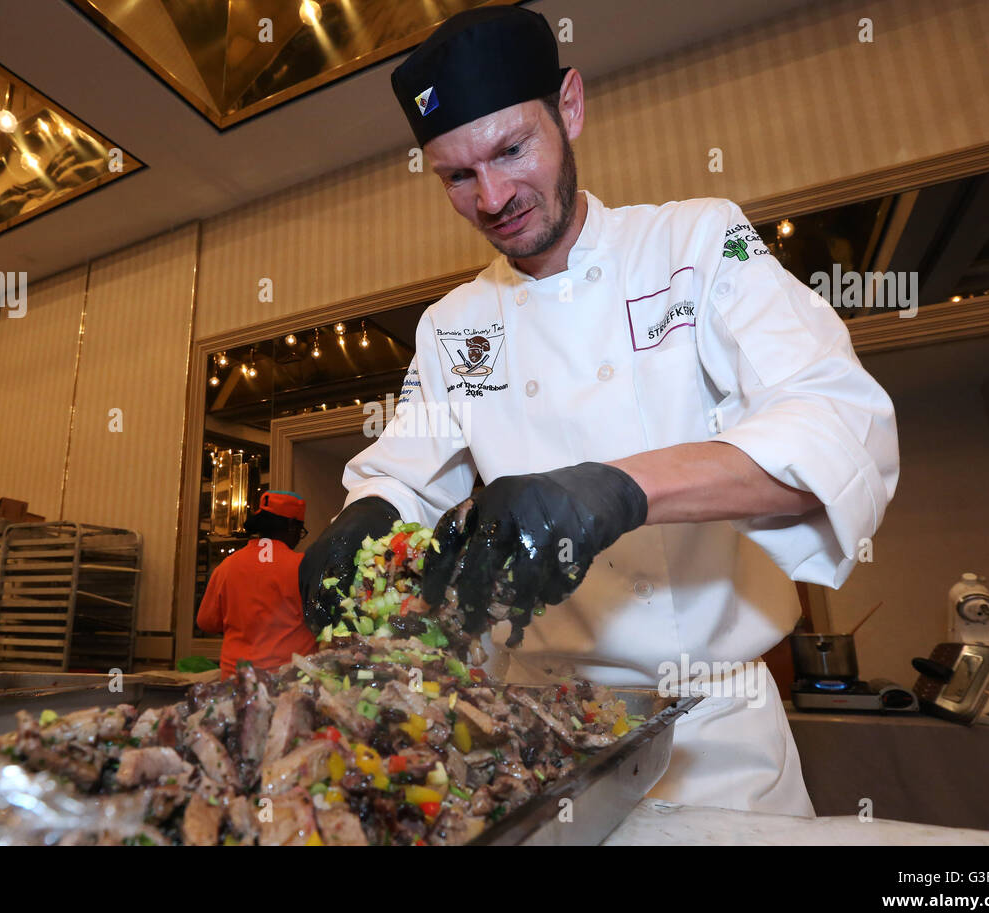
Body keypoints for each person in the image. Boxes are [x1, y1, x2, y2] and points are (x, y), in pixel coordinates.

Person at [300, 7, 899, 816]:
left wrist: (613, 489)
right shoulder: (452, 324)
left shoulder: (698, 243)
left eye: (513, 149)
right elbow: (406, 473)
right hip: (533, 737)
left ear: (570, 107)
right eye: (457, 176)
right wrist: (365, 517)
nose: (495, 195)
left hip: (715, 738)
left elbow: (838, 426)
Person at [197, 490, 317, 676]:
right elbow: (324, 624)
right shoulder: (305, 567)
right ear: (292, 526)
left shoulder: (227, 566)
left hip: (236, 682)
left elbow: (207, 623)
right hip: (288, 685)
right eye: (300, 531)